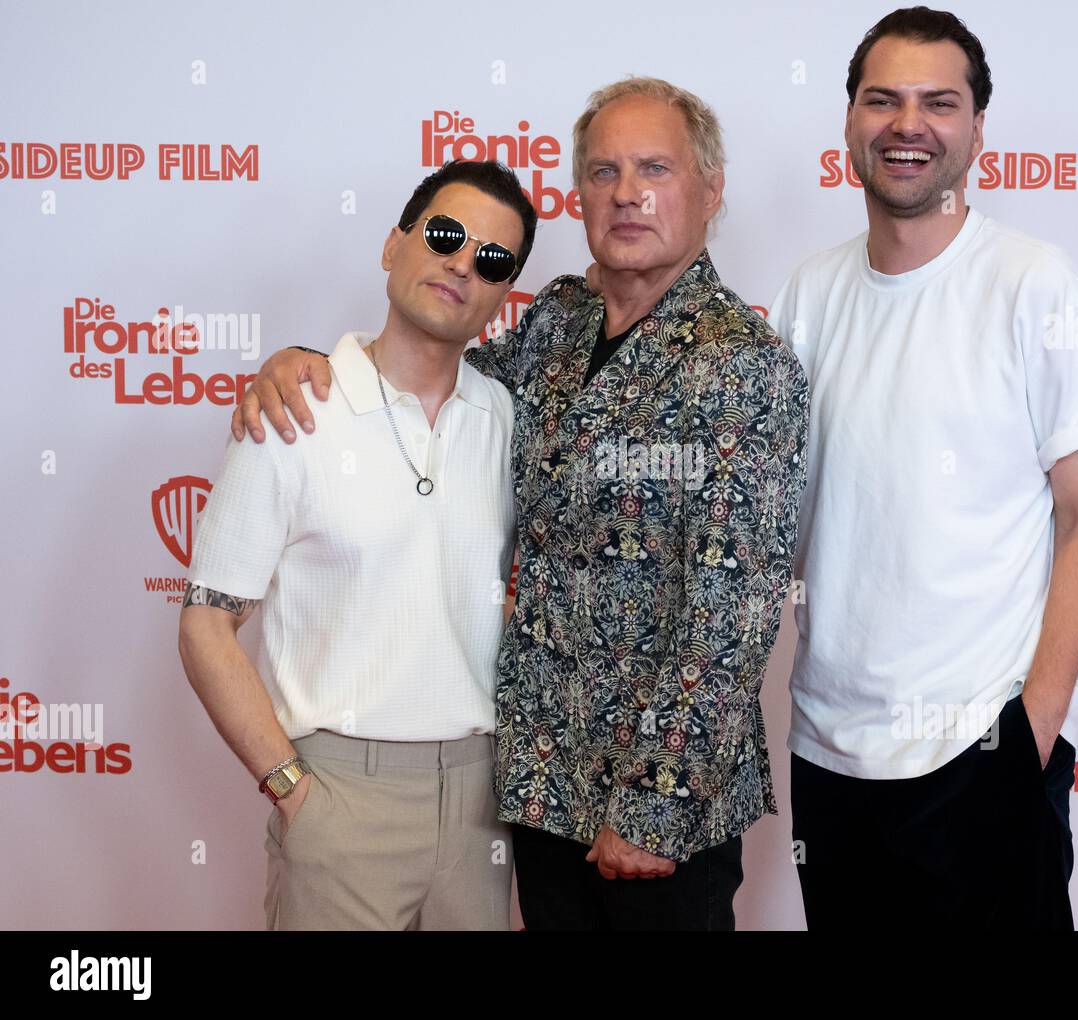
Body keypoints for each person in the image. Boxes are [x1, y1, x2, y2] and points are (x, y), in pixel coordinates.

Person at [230, 78, 811, 931]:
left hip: (657, 820)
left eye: (655, 168)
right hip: (540, 793)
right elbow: (429, 390)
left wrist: (652, 807)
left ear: (710, 191)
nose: (627, 193)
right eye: (604, 171)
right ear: (579, 193)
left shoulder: (742, 365)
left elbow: (733, 612)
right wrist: (308, 360)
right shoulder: (557, 326)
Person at [771, 7, 1078, 930]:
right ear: (849, 121)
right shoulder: (808, 294)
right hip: (831, 755)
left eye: (939, 102)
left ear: (976, 129)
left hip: (982, 754)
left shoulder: (1033, 282)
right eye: (883, 99)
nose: (908, 124)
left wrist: (1029, 735)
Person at [178, 159, 537, 930]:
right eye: (445, 235)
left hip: (482, 807)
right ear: (392, 245)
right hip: (338, 797)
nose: (461, 264)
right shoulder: (296, 409)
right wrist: (294, 791)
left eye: (492, 259)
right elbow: (206, 621)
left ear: (505, 294)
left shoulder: (510, 420)